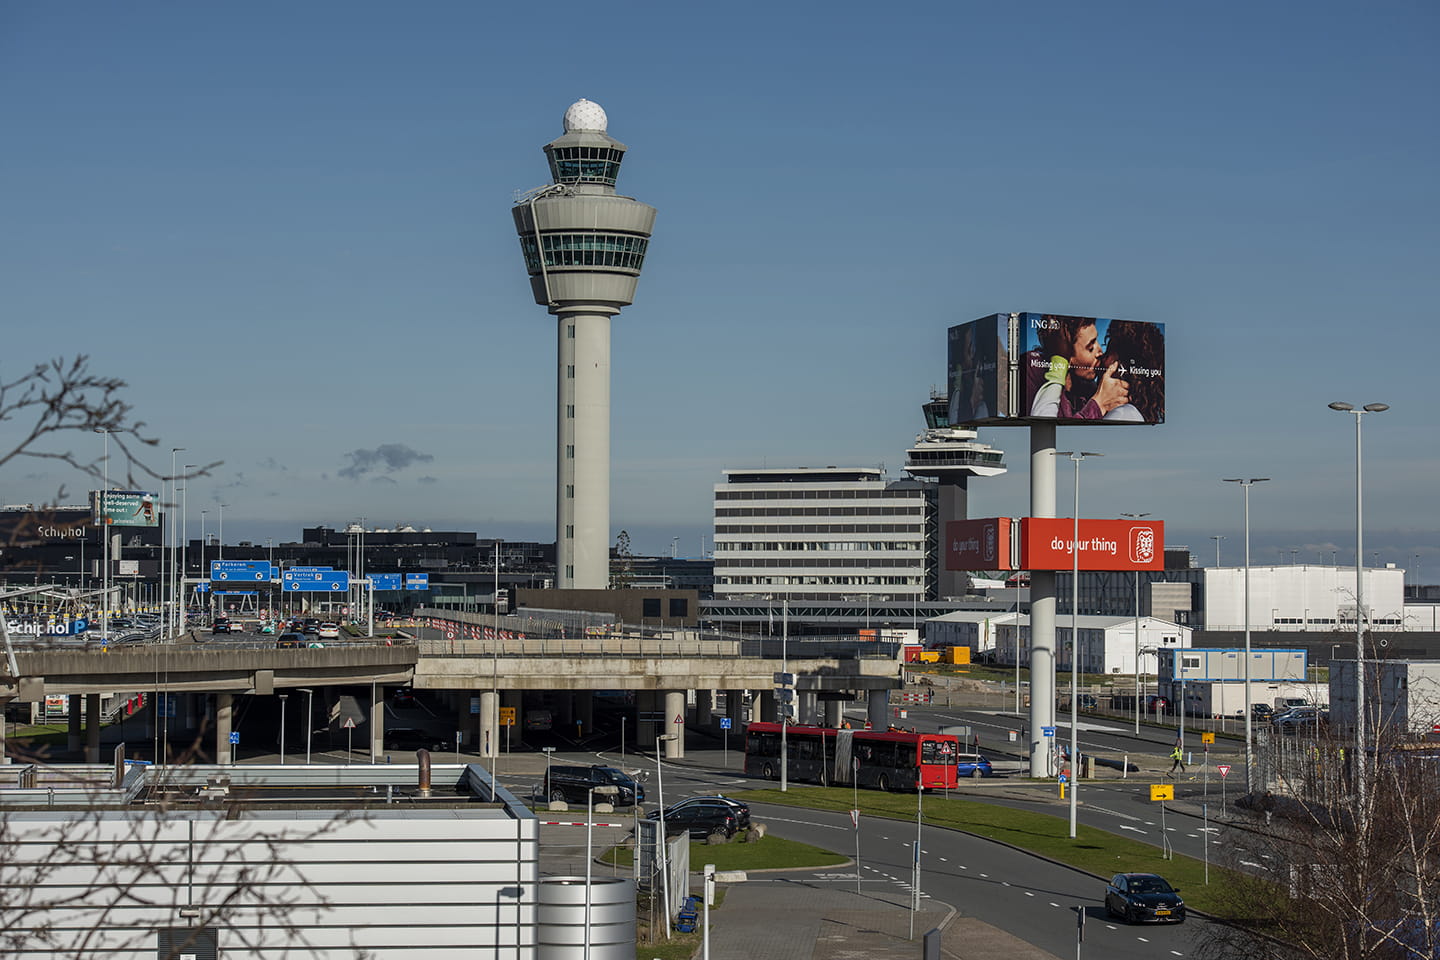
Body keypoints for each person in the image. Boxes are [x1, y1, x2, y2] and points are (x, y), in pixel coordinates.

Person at [1023, 315, 1131, 419]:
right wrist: (1098, 405)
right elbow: (1046, 426)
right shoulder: (1030, 370)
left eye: (1097, 340)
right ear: (1065, 353)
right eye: (1090, 347)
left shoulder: (1086, 387)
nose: (1100, 352)